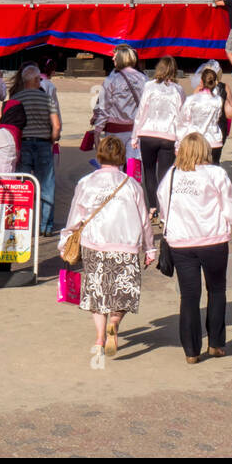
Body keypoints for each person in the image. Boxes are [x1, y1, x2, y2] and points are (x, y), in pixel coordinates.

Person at [158, 133, 232, 363]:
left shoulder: (171, 175)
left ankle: (191, 350)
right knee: (216, 290)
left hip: (182, 243)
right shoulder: (216, 174)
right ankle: (216, 343)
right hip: (213, 241)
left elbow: (162, 205)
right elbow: (230, 207)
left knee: (189, 296)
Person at [59, 136, 155, 360]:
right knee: (122, 293)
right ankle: (115, 322)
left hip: (94, 243)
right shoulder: (132, 184)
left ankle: (100, 335)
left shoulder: (86, 182)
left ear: (99, 154)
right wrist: (150, 248)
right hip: (126, 245)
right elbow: (144, 220)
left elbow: (75, 217)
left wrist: (64, 241)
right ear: (122, 157)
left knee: (96, 291)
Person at [12, 64, 62, 235]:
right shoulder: (46, 99)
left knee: (22, 184)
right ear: (34, 80)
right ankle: (45, 226)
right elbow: (56, 125)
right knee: (47, 185)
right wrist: (52, 139)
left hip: (23, 143)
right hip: (43, 144)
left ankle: (21, 222)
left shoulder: (17, 98)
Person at [132, 56, 185, 215]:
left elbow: (141, 111)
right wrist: (180, 142)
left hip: (147, 133)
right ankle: (164, 210)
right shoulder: (178, 90)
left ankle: (153, 206)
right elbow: (180, 117)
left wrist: (135, 136)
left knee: (149, 172)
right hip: (168, 135)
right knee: (164, 174)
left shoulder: (149, 86)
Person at [92, 45, 148, 167]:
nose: (113, 60)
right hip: (136, 129)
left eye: (115, 57)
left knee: (114, 163)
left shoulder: (111, 80)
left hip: (114, 129)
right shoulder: (144, 79)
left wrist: (98, 129)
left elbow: (104, 107)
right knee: (133, 165)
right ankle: (132, 185)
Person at [177, 66, 232, 164]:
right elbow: (221, 115)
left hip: (197, 139)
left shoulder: (192, 99)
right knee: (214, 167)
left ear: (201, 81)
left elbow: (184, 120)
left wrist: (179, 143)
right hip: (214, 139)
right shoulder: (218, 100)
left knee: (196, 168)